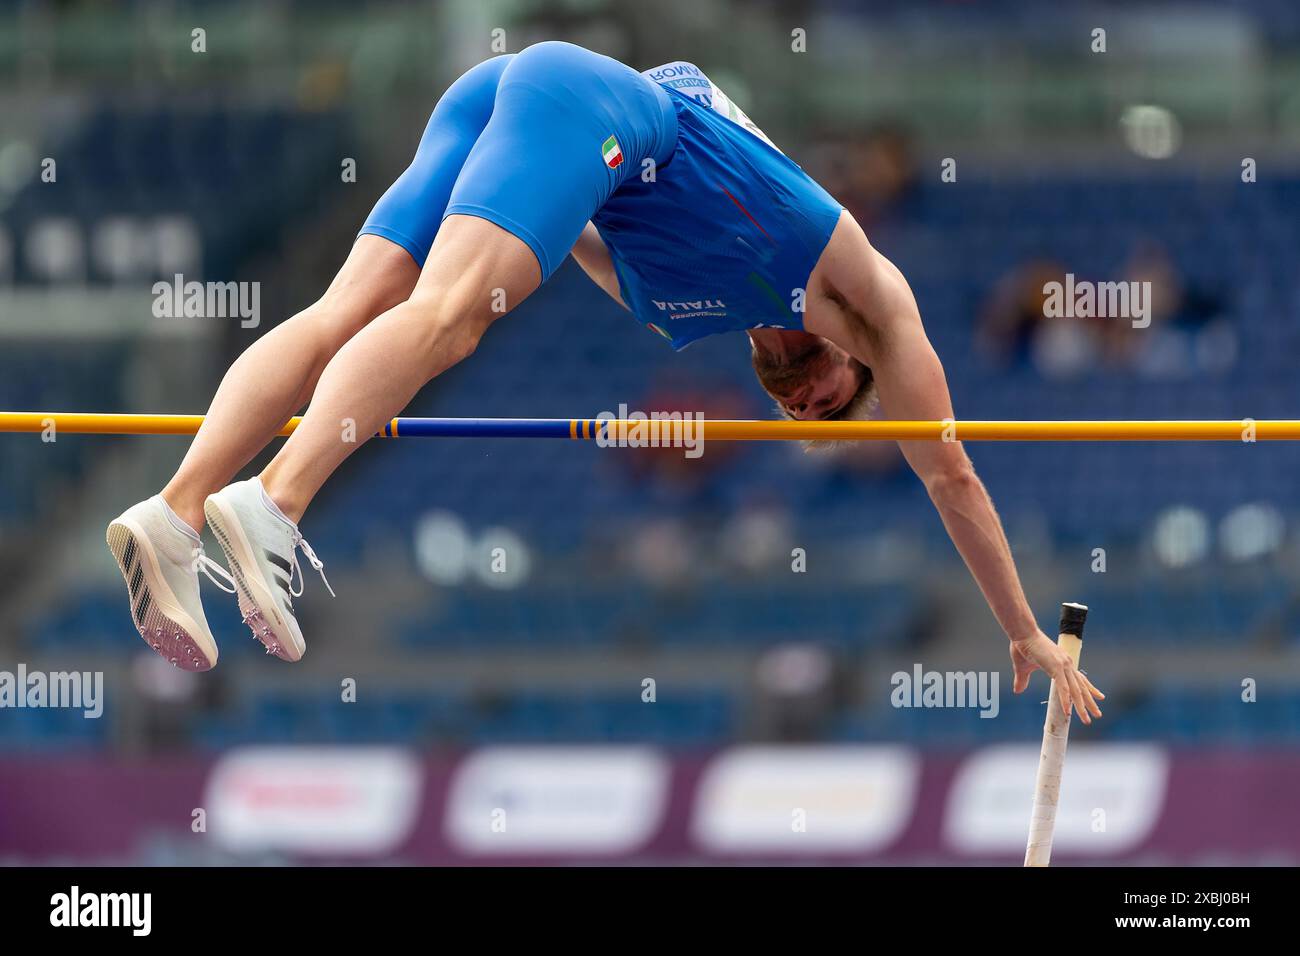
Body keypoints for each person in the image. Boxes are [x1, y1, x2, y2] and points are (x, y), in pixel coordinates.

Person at [105, 42, 1103, 724]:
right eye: (836, 393)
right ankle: (276, 501)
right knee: (450, 321)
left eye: (800, 410)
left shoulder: (662, 303)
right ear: (860, 361)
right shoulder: (866, 297)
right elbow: (950, 477)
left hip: (505, 100)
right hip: (591, 100)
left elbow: (567, 202)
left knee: (348, 315)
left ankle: (176, 506)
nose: (807, 395)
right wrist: (1023, 629)